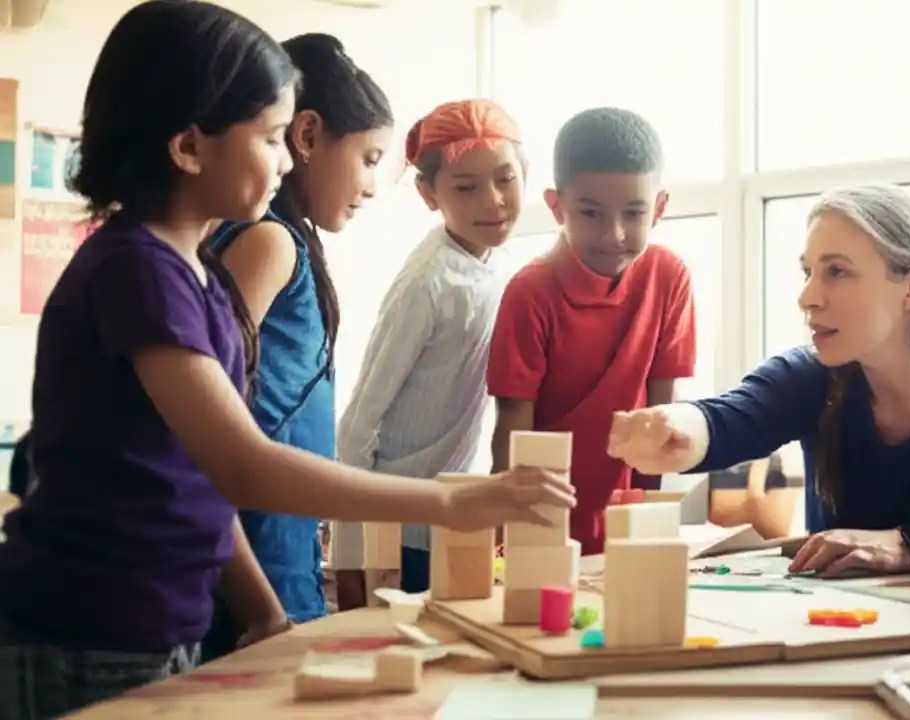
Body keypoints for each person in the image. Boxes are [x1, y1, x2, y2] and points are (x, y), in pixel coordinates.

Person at [0, 4, 572, 717]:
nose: (284, 158)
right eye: (271, 137)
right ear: (188, 147)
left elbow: (203, 475)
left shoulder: (194, 277)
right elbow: (243, 464)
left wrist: (265, 612)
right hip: (84, 633)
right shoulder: (136, 270)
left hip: (155, 625)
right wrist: (453, 501)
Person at [608, 184, 910, 564]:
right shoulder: (814, 375)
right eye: (807, 272)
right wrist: (673, 428)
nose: (807, 297)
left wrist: (905, 545)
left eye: (837, 271)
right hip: (840, 632)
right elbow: (724, 418)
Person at [199, 32, 394, 660]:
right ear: (306, 138)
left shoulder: (285, 239)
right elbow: (209, 417)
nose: (371, 185)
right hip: (252, 570)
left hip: (280, 551)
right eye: (369, 158)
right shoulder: (270, 241)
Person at [331, 99, 526, 604]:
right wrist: (348, 559)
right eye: (466, 187)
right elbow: (358, 425)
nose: (494, 201)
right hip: (399, 527)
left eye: (505, 179)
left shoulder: (499, 263)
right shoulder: (427, 283)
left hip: (453, 514)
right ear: (427, 193)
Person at [487, 107, 696, 556]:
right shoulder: (530, 292)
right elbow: (512, 425)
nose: (614, 234)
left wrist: (649, 525)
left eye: (634, 212)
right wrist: (507, 533)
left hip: (627, 524)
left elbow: (661, 414)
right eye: (590, 213)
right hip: (542, 525)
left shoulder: (669, 276)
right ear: (556, 206)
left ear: (659, 208)